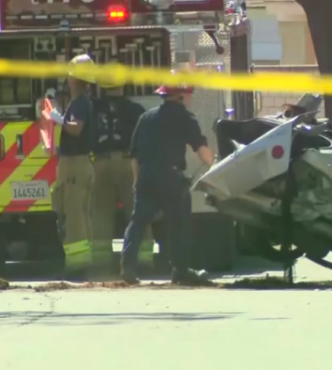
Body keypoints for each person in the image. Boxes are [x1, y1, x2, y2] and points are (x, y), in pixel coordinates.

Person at [120, 83, 215, 285]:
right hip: (171, 177)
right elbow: (201, 149)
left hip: (146, 174)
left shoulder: (145, 118)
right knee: (179, 223)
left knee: (138, 222)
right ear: (182, 96)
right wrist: (215, 166)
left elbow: (134, 156)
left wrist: (137, 181)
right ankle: (180, 271)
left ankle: (127, 267)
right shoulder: (185, 118)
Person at [90, 70, 154, 276]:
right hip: (128, 164)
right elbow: (146, 138)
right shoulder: (135, 110)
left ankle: (101, 263)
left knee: (100, 214)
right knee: (137, 212)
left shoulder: (92, 107)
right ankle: (144, 260)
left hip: (100, 163)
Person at [48, 54, 97, 276]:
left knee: (74, 214)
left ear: (75, 78)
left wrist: (57, 118)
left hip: (75, 167)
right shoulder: (81, 102)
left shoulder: (79, 103)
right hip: (79, 164)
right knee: (79, 213)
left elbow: (75, 129)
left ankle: (77, 266)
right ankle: (83, 261)